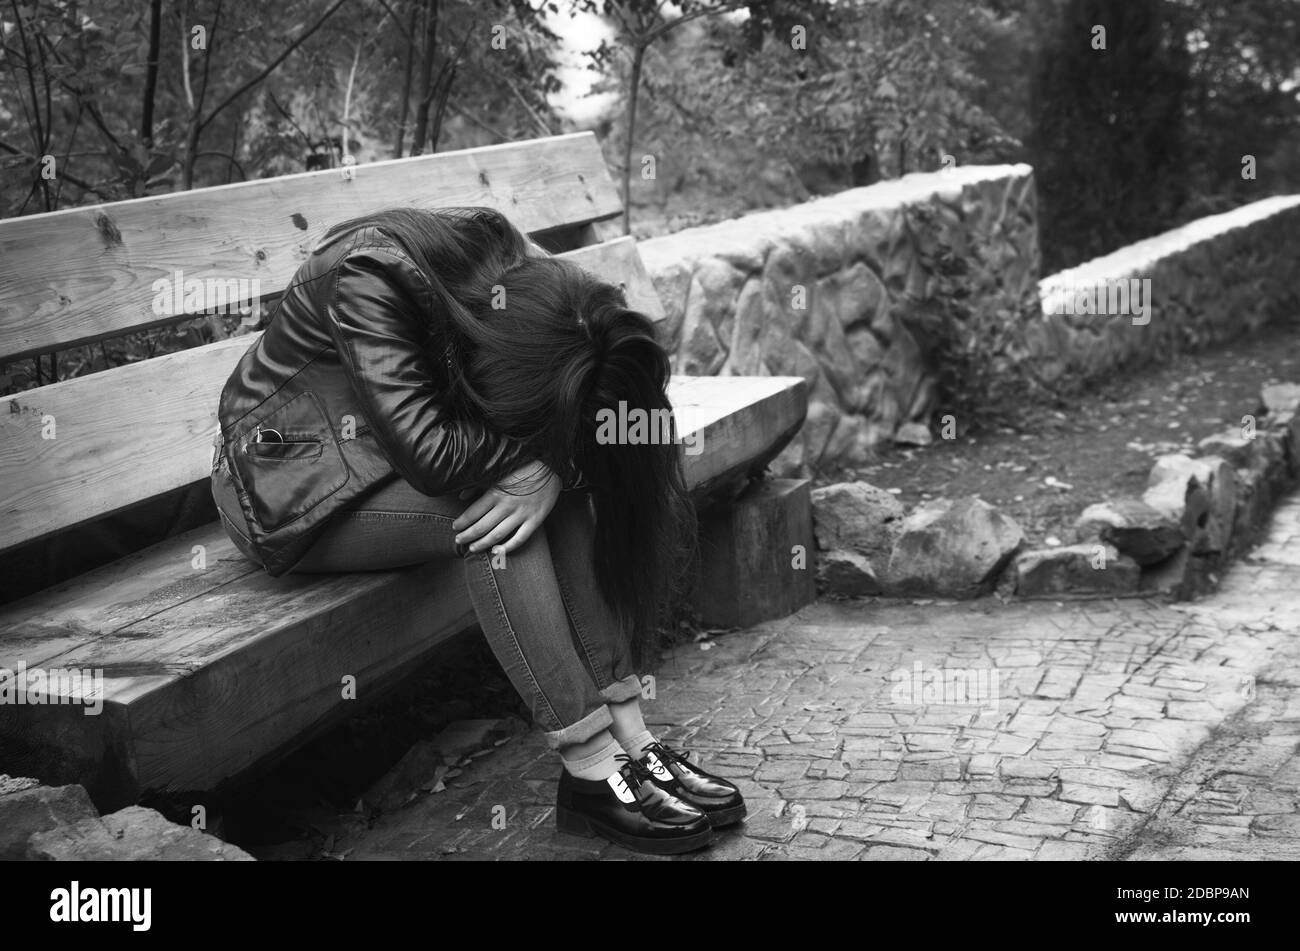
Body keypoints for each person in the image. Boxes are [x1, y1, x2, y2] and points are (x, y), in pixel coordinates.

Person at [209, 206, 745, 855]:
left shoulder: (497, 256)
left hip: (388, 465)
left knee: (558, 492)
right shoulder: (367, 274)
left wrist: (553, 464)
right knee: (498, 522)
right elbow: (429, 449)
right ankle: (591, 769)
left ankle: (635, 742)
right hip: (292, 482)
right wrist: (538, 463)